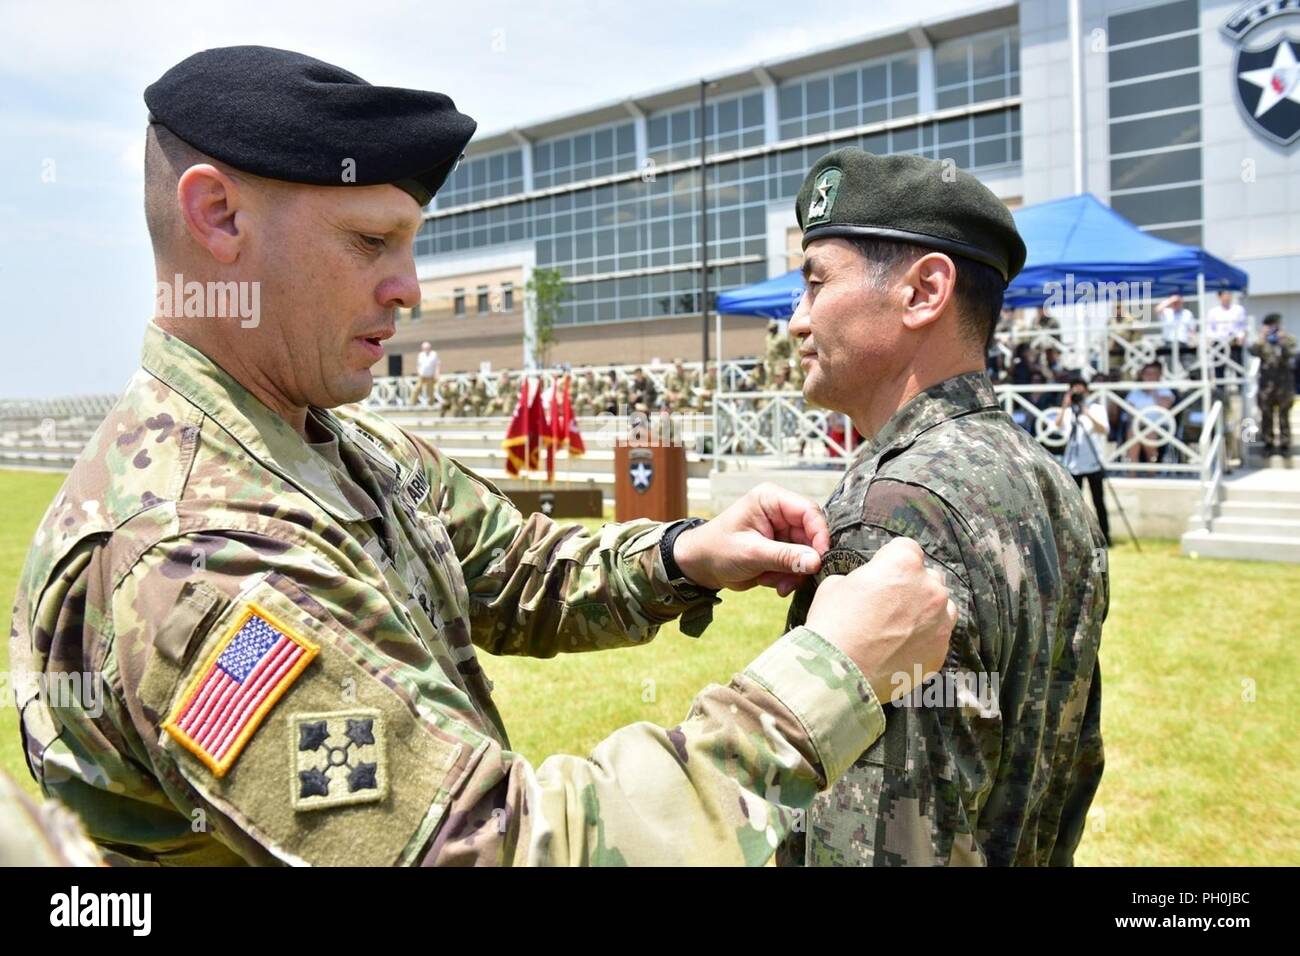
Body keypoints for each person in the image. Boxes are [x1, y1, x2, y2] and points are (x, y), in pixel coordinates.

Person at [9, 47, 956, 867]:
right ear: (216, 215)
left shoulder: (331, 443)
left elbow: (510, 567)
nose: (410, 288)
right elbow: (493, 847)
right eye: (369, 240)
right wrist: (827, 678)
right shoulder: (194, 559)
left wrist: (681, 556)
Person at [778, 148, 1107, 867]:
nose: (797, 320)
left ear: (924, 291)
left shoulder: (888, 521)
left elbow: (874, 845)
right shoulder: (1047, 481)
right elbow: (1068, 771)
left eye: (815, 283)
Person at [1052, 376, 1112, 547]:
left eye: (1081, 390)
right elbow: (1056, 426)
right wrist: (1065, 406)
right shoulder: (1068, 412)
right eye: (1074, 391)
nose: (1078, 394)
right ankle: (1078, 537)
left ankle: (1105, 536)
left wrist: (1086, 413)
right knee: (1074, 503)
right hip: (1073, 464)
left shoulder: (1096, 409)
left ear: (1087, 391)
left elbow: (1103, 430)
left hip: (1093, 462)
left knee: (1098, 501)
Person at [1250, 314, 1296, 457]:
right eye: (1270, 326)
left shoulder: (1288, 339)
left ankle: (1285, 445)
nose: (1273, 329)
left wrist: (1282, 340)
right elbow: (1252, 351)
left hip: (1284, 384)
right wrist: (1262, 338)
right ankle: (1268, 444)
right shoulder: (1262, 342)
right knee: (1266, 415)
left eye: (1275, 326)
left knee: (1284, 416)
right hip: (1267, 385)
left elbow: (1292, 353)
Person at [1125, 361, 1176, 466]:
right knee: (1134, 431)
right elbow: (1129, 412)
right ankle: (1133, 472)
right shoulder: (1135, 391)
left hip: (1160, 427)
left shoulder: (1165, 391)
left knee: (1149, 431)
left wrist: (1153, 391)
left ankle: (1151, 469)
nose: (1150, 377)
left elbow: (1164, 407)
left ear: (1159, 376)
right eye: (1147, 374)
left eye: (1154, 374)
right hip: (1137, 425)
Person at [1157, 293, 1197, 372]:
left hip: (1184, 343)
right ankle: (1172, 384)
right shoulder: (1166, 312)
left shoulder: (1187, 313)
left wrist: (1194, 341)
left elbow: (1192, 329)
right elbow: (1158, 309)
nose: (1176, 303)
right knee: (1170, 368)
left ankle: (1193, 382)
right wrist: (1171, 300)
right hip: (1169, 344)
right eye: (1174, 302)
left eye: (1178, 301)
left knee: (1189, 366)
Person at [412, 340, 439, 406]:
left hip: (430, 376)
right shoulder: (421, 354)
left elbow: (437, 365)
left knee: (430, 391)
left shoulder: (434, 354)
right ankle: (412, 403)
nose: (426, 349)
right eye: (424, 348)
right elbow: (418, 365)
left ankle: (431, 403)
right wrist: (418, 372)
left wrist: (437, 374)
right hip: (422, 376)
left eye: (427, 348)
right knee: (417, 389)